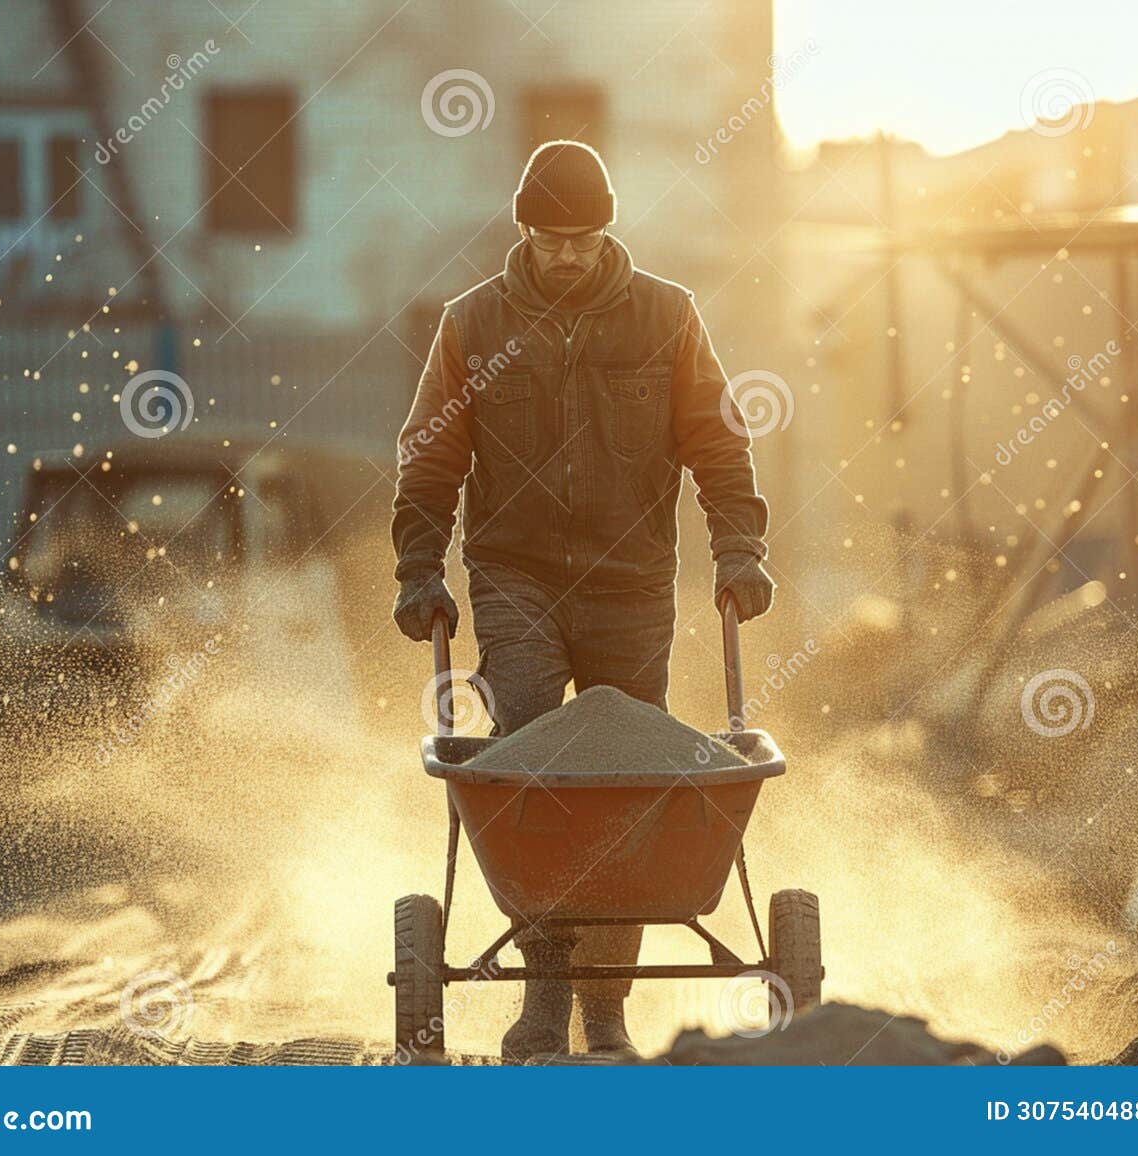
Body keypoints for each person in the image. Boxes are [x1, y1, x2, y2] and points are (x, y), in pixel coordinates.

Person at [390, 139, 773, 1061]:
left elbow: (717, 444)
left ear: (609, 230)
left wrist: (740, 547)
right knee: (533, 779)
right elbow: (432, 454)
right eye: (552, 238)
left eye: (586, 237)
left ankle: (606, 1012)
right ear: (523, 229)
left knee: (631, 792)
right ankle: (547, 998)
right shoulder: (472, 325)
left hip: (632, 583)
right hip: (516, 579)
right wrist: (418, 569)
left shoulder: (666, 317)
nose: (569, 254)